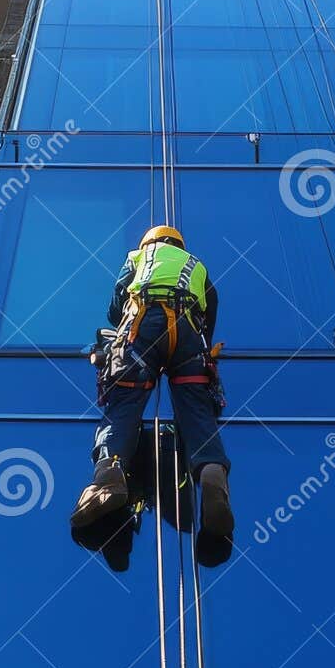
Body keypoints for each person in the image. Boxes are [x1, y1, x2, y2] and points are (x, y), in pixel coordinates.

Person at [71, 226, 234, 565]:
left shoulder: (138, 256)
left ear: (150, 242)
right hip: (188, 333)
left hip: (142, 324)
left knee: (124, 406)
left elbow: (117, 305)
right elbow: (211, 306)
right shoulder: (196, 265)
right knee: (196, 412)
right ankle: (212, 475)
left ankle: (109, 476)